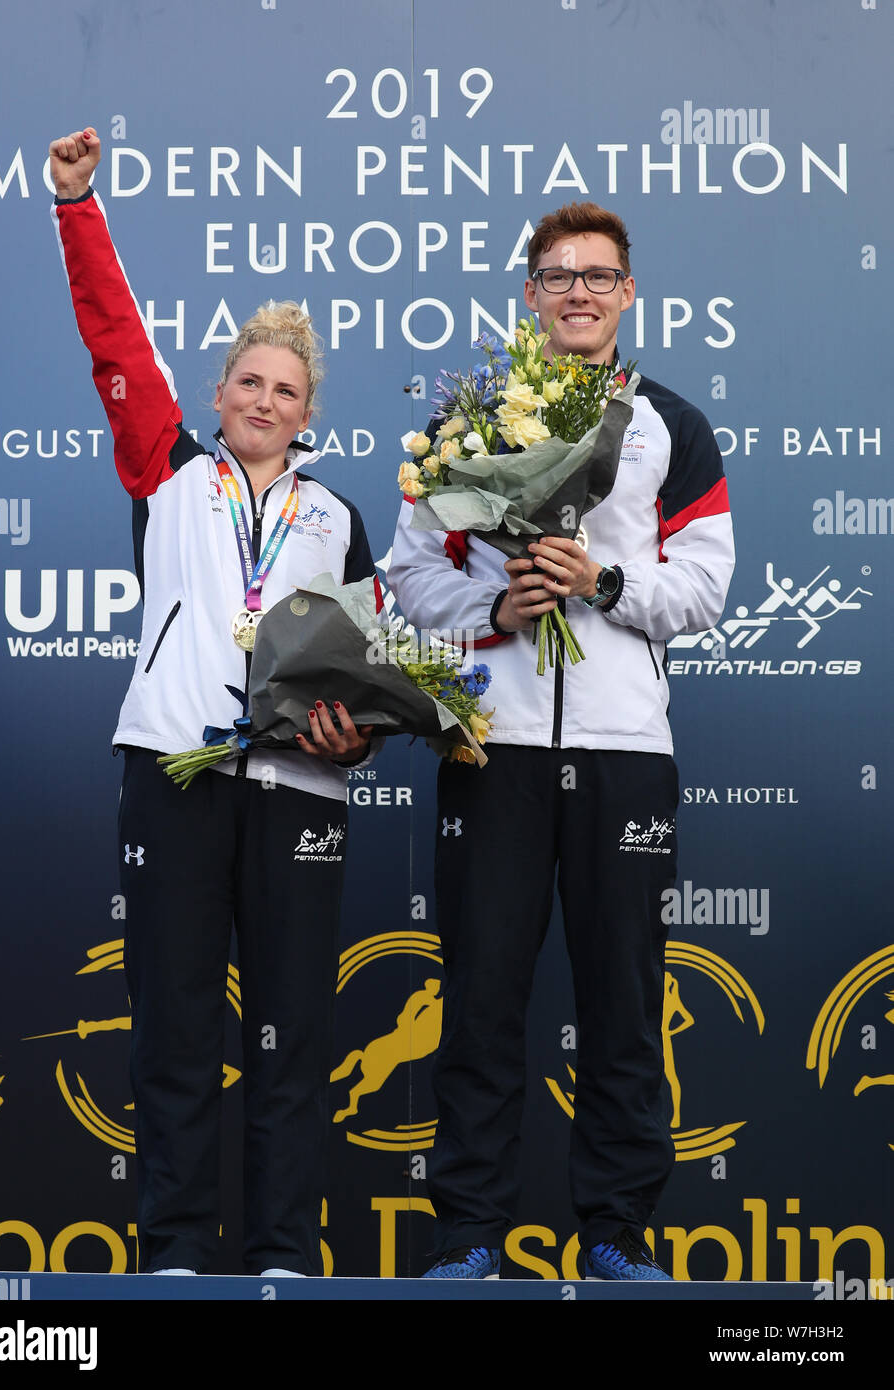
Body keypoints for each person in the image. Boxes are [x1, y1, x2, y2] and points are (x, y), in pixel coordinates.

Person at [49, 127, 378, 1277]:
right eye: (249, 380)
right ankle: (178, 1255)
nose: (265, 400)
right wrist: (79, 210)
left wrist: (364, 733)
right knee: (177, 1030)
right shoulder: (169, 473)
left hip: (299, 793)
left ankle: (287, 1253)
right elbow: (113, 339)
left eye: (286, 390)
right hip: (177, 782)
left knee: (292, 1037)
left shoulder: (339, 519)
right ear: (219, 391)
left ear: (306, 413)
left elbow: (372, 668)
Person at [387, 200, 735, 1280]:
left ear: (628, 293)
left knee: (624, 1003)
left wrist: (604, 581)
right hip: (491, 745)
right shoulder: (472, 426)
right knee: (481, 996)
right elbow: (407, 579)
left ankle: (617, 1240)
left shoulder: (670, 422)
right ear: (527, 295)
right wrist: (500, 612)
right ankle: (468, 1238)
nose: (577, 290)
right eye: (556, 275)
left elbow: (709, 584)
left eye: (597, 274)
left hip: (624, 748)